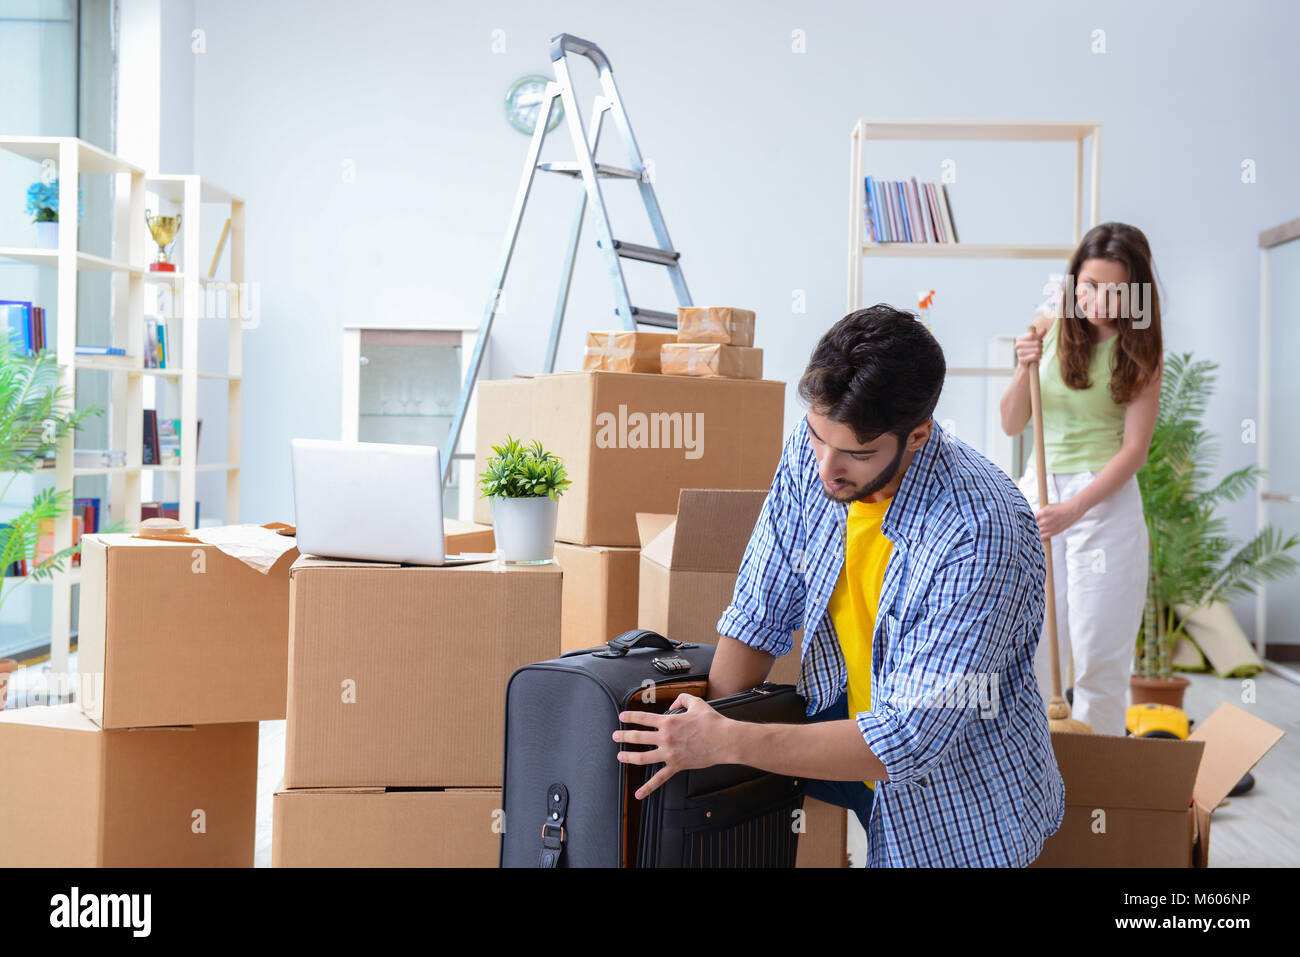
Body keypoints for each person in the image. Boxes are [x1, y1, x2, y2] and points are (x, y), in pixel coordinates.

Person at [613, 305, 1065, 867]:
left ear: (918, 434)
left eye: (856, 453)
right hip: (842, 714)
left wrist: (728, 741)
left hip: (953, 789)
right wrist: (702, 749)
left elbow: (909, 737)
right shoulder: (817, 451)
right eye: (818, 437)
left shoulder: (979, 531)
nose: (827, 467)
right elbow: (761, 605)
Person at [999, 222, 1164, 736]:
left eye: (1114, 290)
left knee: (1098, 656)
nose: (1097, 299)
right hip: (1039, 493)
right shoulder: (1047, 329)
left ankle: (1101, 794)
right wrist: (1021, 365)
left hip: (1103, 503)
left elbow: (1134, 450)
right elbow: (1010, 422)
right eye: (1088, 286)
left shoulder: (1141, 351)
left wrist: (1077, 508)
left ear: (1135, 290)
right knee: (1034, 649)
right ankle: (1035, 782)